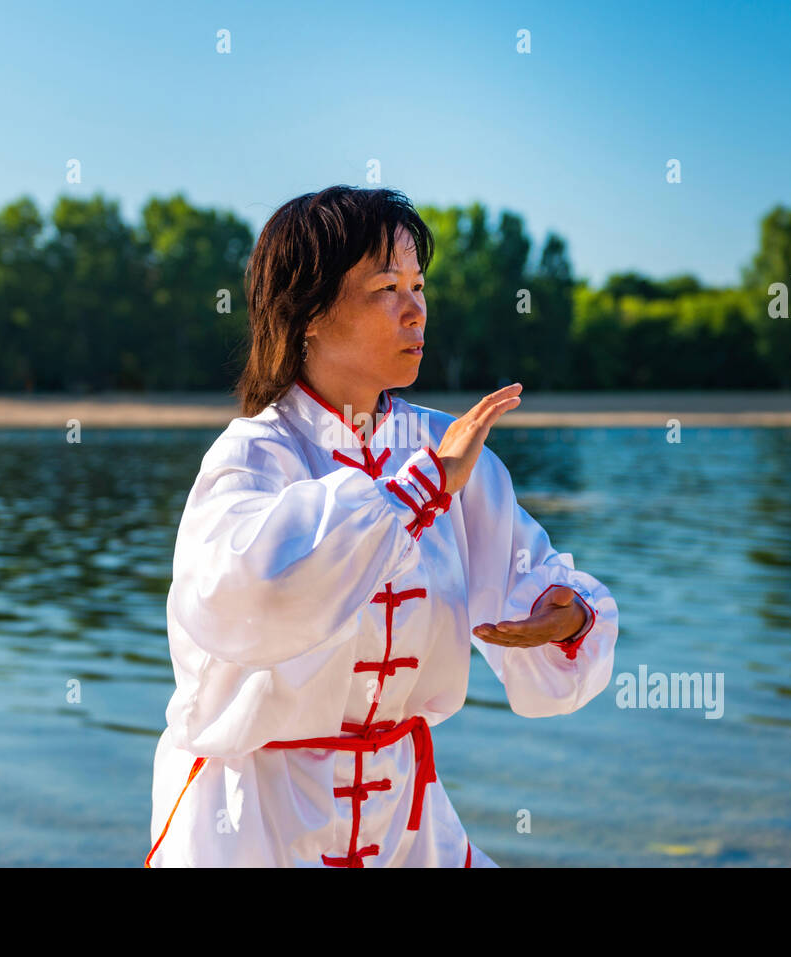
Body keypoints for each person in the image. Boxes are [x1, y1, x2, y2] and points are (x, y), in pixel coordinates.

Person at [146, 185, 618, 867]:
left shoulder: (448, 449)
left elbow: (530, 581)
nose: (415, 307)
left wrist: (563, 614)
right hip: (259, 822)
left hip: (405, 816)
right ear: (308, 313)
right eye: (385, 287)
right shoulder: (255, 454)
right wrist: (423, 485)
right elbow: (251, 591)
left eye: (419, 284)